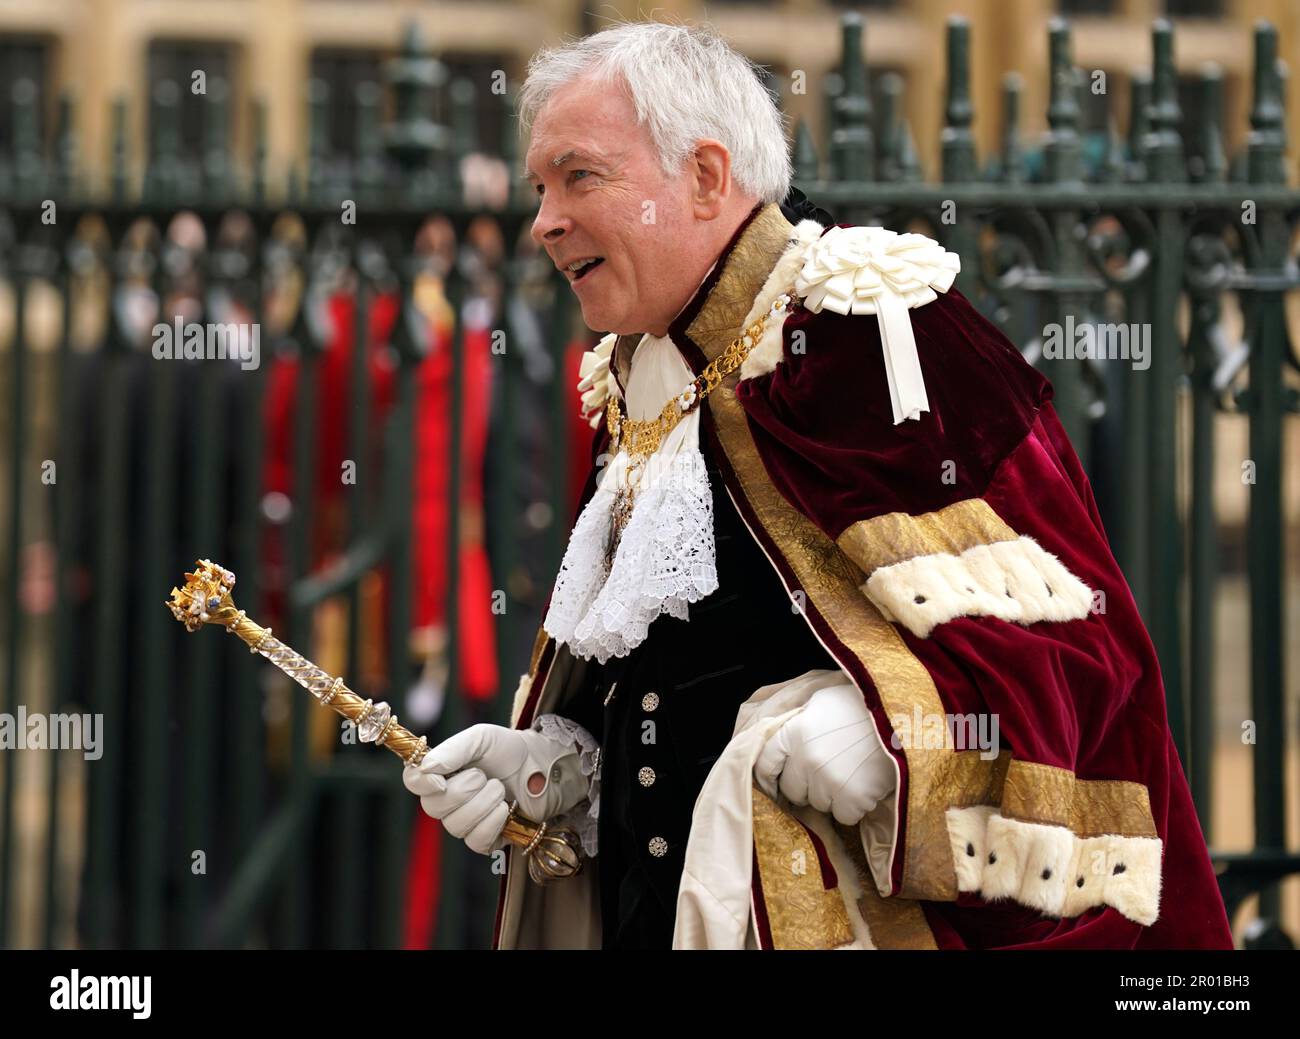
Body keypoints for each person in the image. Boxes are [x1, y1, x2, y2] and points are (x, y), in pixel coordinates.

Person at [402, 21, 1234, 950]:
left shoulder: (876, 330)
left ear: (708, 177)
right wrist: (566, 766)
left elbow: (1084, 660)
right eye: (540, 187)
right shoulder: (640, 375)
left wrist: (893, 734)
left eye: (578, 176)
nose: (543, 219)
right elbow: (674, 686)